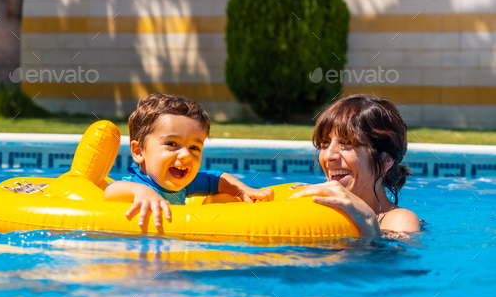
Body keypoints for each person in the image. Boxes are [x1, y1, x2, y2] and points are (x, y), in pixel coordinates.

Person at [104, 93, 274, 227]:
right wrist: (140, 192)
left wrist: (243, 190)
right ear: (139, 151)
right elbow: (110, 191)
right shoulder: (136, 185)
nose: (185, 155)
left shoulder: (183, 185)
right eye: (172, 144)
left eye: (194, 148)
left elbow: (215, 179)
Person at [290, 94, 420, 237]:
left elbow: (392, 257)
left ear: (385, 160)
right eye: (325, 144)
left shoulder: (399, 219)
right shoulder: (317, 203)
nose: (328, 156)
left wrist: (368, 223)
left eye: (347, 143)